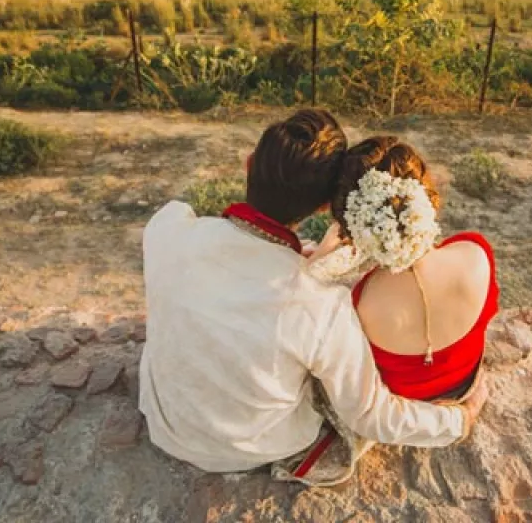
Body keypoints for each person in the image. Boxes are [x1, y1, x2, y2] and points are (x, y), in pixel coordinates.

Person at [138, 110, 487, 473]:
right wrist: (458, 420)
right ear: (323, 208)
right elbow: (370, 413)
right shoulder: (320, 303)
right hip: (252, 447)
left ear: (249, 164)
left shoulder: (168, 228)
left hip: (165, 423)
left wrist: (301, 260)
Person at [310, 136, 499, 401]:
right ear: (425, 198)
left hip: (404, 400)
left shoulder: (362, 306)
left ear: (355, 225)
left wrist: (317, 258)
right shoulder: (475, 253)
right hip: (466, 383)